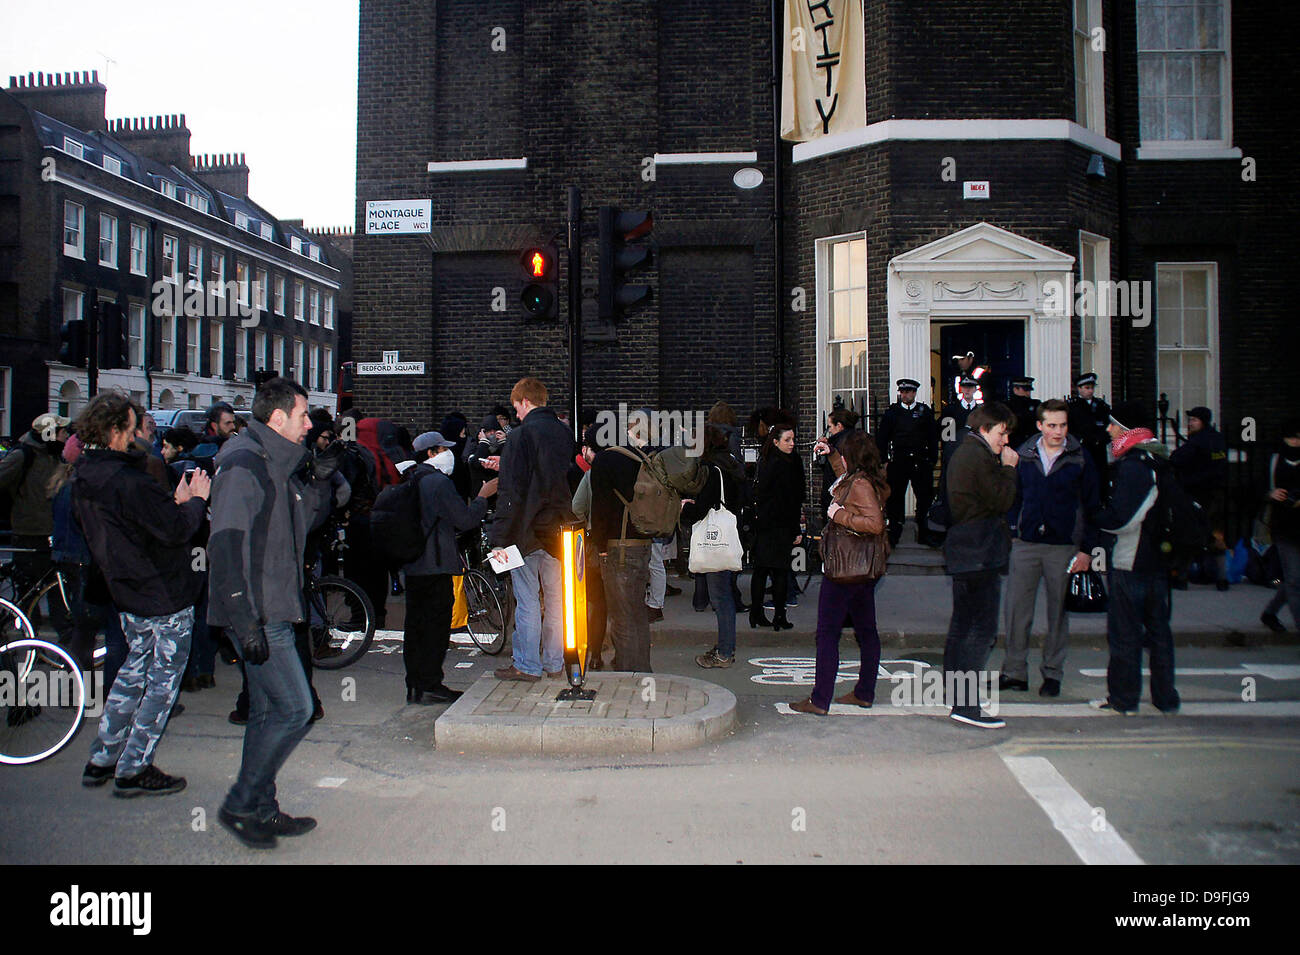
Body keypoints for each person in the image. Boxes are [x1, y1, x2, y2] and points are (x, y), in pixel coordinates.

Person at [208, 377, 342, 848]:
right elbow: (224, 548)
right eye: (303, 415)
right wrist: (242, 621)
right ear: (278, 418)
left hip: (276, 605)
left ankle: (261, 809)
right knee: (296, 709)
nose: (310, 425)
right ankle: (241, 803)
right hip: (260, 611)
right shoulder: (245, 465)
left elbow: (297, 529)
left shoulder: (274, 464)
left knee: (268, 712)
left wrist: (319, 483)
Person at [72, 393, 210, 796]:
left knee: (132, 674)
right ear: (115, 431)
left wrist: (173, 504)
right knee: (162, 684)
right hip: (161, 591)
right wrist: (196, 502)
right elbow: (175, 530)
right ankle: (134, 767)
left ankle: (103, 756)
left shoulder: (83, 475)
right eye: (132, 429)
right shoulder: (128, 479)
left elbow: (136, 526)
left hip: (125, 590)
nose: (137, 436)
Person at [999, 399, 1100, 697]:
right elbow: (1012, 496)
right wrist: (1014, 530)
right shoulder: (1023, 456)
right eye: (1052, 425)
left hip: (1063, 546)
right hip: (1026, 544)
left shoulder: (1080, 458)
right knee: (1017, 611)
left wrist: (1086, 549)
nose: (1058, 431)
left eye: (1063, 425)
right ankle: (1014, 671)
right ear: (1040, 425)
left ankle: (1052, 673)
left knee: (1058, 613)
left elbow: (1092, 506)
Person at [790, 431, 890, 714]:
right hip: (864, 569)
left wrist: (838, 515)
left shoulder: (859, 484)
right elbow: (844, 480)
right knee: (867, 632)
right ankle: (864, 692)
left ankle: (820, 698)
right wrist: (832, 454)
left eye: (843, 453)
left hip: (845, 569)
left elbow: (874, 523)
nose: (841, 457)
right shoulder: (865, 478)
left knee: (827, 634)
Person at [1090, 403, 1180, 716]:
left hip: (1131, 561)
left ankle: (1124, 699)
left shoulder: (1133, 466)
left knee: (1125, 634)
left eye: (1114, 425)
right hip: (1159, 561)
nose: (1109, 430)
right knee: (1159, 634)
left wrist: (1095, 516)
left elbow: (1121, 519)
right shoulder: (1162, 460)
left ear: (1129, 431)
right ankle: (1166, 698)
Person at [488, 377, 575, 681]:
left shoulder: (521, 436)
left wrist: (499, 539)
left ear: (524, 402)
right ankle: (553, 662)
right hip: (558, 530)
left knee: (527, 600)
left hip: (526, 532)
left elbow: (511, 492)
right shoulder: (565, 434)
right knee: (555, 600)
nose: (517, 415)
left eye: (516, 408)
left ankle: (527, 664)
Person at [403, 431, 497, 703]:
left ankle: (416, 684)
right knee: (436, 627)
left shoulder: (411, 477)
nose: (449, 454)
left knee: (416, 627)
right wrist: (482, 496)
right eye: (443, 449)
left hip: (414, 564)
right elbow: (464, 519)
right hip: (436, 564)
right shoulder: (437, 483)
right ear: (431, 453)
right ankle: (431, 684)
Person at [942, 402, 1019, 728]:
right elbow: (1001, 499)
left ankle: (958, 697)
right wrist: (1009, 468)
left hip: (967, 551)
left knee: (962, 626)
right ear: (986, 429)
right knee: (981, 630)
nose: (1005, 441)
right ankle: (966, 706)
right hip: (980, 552)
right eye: (1002, 433)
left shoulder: (965, 452)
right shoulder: (979, 457)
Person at [588, 412, 657, 670]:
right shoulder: (641, 457)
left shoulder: (606, 460)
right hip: (643, 542)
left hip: (619, 545)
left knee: (621, 617)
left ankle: (628, 675)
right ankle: (642, 668)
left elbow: (600, 507)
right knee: (637, 612)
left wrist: (600, 547)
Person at [687, 422, 746, 669]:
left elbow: (702, 508)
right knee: (725, 596)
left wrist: (686, 508)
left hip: (715, 538)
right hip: (730, 532)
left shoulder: (711, 469)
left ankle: (724, 652)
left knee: (720, 598)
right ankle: (725, 647)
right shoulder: (730, 462)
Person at [1, 412, 69, 619]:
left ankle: (58, 639)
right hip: (29, 534)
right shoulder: (23, 456)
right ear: (49, 433)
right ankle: (28, 638)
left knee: (56, 590)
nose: (66, 435)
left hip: (52, 535)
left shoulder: (57, 457)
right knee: (29, 595)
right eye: (62, 431)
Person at [749, 423, 805, 631]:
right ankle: (776, 615)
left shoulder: (771, 462)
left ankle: (761, 613)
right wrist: (795, 528)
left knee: (765, 570)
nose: (792, 443)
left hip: (769, 523)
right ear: (775, 441)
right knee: (776, 570)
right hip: (776, 523)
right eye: (787, 440)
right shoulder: (780, 463)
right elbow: (792, 498)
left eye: (793, 439)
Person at [1170, 406, 1230, 590]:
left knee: (1188, 535)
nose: (1190, 423)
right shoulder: (1218, 440)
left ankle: (1181, 576)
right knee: (1216, 535)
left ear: (1203, 421)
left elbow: (1176, 459)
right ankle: (1222, 577)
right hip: (1217, 493)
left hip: (1196, 494)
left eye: (1194, 420)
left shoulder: (1197, 442)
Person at [876, 378, 938, 546]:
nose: (905, 395)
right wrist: (885, 460)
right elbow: (882, 439)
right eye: (902, 392)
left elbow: (933, 437)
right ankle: (894, 533)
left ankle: (923, 532)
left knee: (924, 496)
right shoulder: (892, 413)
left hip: (920, 461)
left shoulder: (924, 412)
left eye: (908, 392)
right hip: (899, 461)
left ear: (914, 393)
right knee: (895, 497)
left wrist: (932, 459)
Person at [570, 426, 610, 670]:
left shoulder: (592, 475)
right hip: (626, 543)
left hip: (596, 543)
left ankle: (593, 653)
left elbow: (577, 507)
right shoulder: (630, 467)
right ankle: (609, 653)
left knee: (595, 600)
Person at [1260, 418, 1300, 633]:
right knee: (1294, 579)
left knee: (1295, 579)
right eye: (1291, 437)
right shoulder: (1275, 459)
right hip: (1283, 526)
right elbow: (1258, 488)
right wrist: (1271, 493)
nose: (1295, 442)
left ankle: (1270, 612)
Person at [1067, 372, 1112, 480]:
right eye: (1087, 388)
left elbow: (1107, 426)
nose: (1090, 391)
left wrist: (1101, 439)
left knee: (1100, 477)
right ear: (1079, 388)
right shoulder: (1072, 406)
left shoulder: (1101, 406)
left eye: (1092, 388)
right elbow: (1070, 428)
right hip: (1081, 448)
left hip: (1099, 449)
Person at [1005, 376, 1040, 450]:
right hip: (1014, 443)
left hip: (1031, 443)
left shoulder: (1035, 404)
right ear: (1015, 389)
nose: (1027, 393)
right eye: (1025, 390)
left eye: (1028, 390)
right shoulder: (1008, 406)